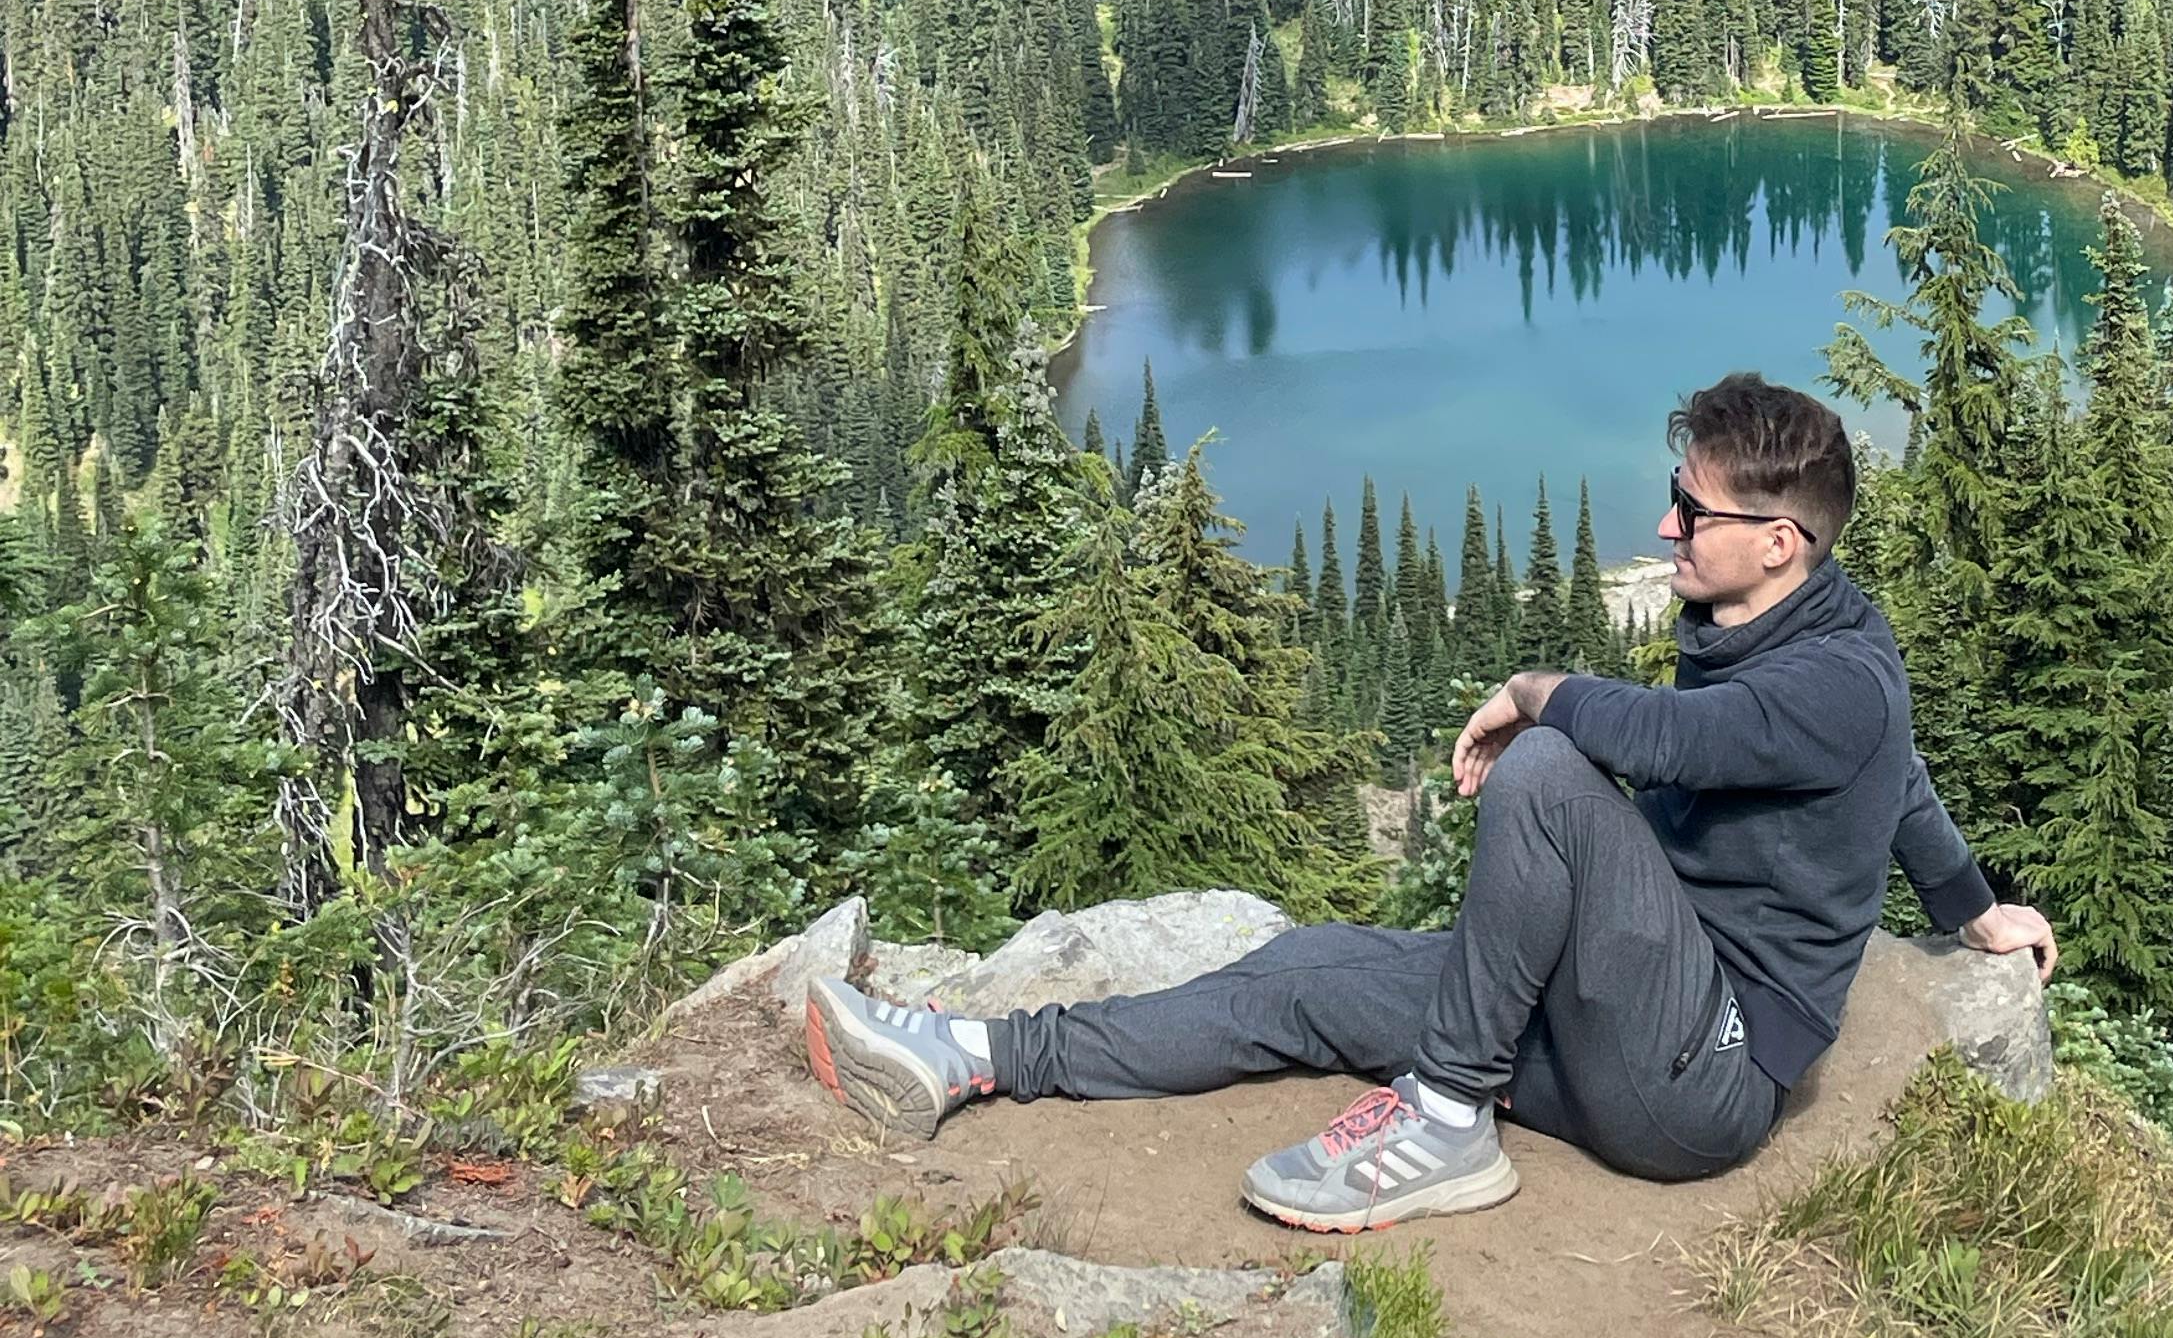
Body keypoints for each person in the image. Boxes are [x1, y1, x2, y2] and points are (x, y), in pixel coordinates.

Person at [804, 371, 2057, 1234]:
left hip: (1699, 1075)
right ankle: (971, 1056)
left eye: (1692, 510)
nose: (1664, 523)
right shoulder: (1751, 618)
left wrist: (1535, 686)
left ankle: (1448, 1119)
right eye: (1673, 495)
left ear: (1780, 540)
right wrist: (1971, 907)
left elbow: (1696, 743)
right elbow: (1897, 783)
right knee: (1305, 967)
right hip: (1612, 1012)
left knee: (1557, 766)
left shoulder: (1835, 672)